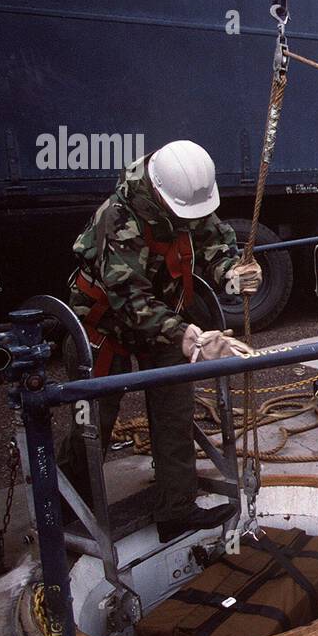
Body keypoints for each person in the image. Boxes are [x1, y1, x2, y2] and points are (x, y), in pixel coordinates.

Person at [58, 140, 262, 542]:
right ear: (158, 192)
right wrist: (188, 336)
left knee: (174, 412)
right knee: (92, 423)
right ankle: (65, 515)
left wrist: (230, 274)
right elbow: (131, 300)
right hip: (102, 329)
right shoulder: (117, 220)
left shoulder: (185, 197)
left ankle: (176, 509)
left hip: (164, 319)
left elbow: (214, 240)